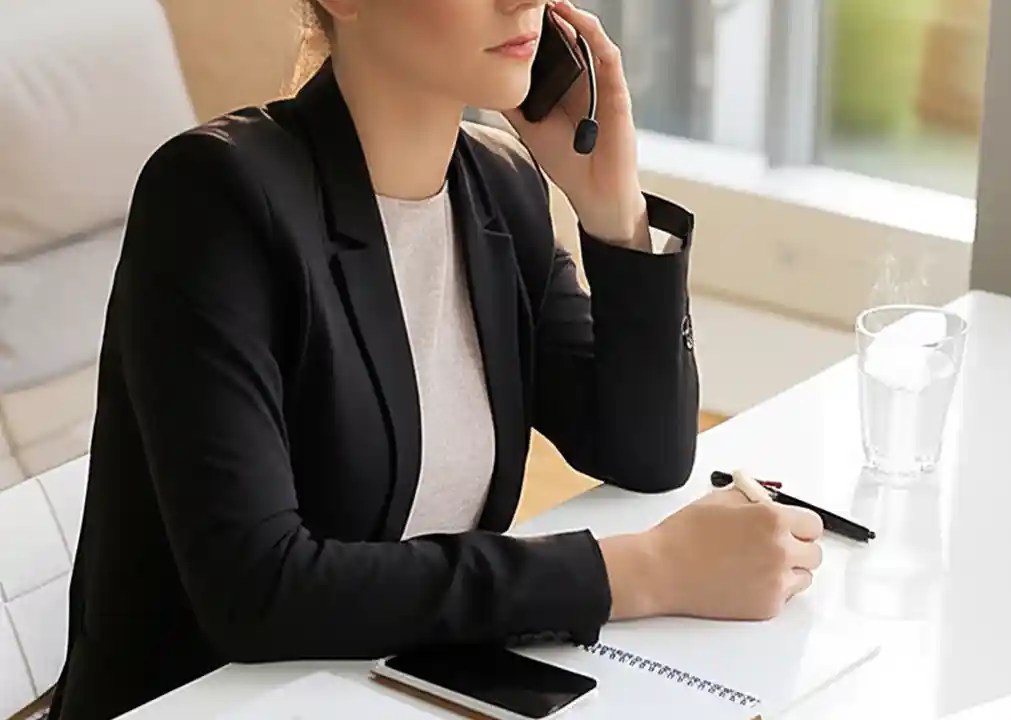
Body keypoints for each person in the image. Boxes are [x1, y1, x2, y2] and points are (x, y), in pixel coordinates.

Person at [49, 1, 823, 717]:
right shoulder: (216, 196)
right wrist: (643, 569)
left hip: (394, 693)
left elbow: (643, 452)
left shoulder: (499, 187)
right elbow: (260, 591)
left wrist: (614, 213)